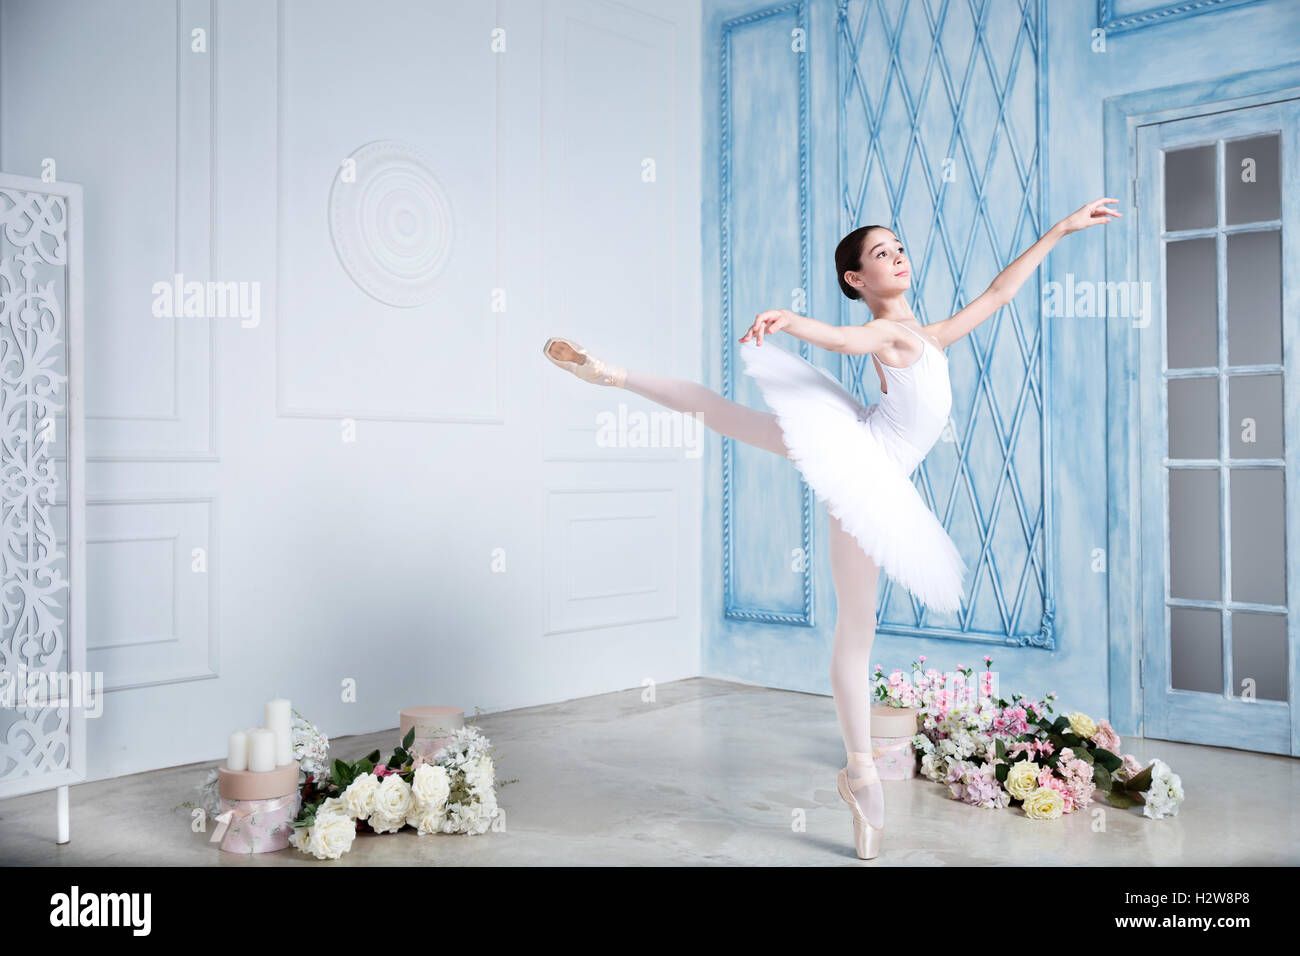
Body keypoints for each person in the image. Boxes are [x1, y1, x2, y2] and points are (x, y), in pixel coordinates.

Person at [542, 198, 1120, 859]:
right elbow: (848, 340)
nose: (896, 256)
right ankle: (861, 770)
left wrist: (1060, 230)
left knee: (732, 422)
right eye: (880, 253)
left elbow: (998, 292)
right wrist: (791, 321)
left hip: (860, 446)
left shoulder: (928, 335)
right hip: (864, 471)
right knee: (855, 629)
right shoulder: (888, 334)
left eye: (898, 247)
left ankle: (611, 374)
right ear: (856, 280)